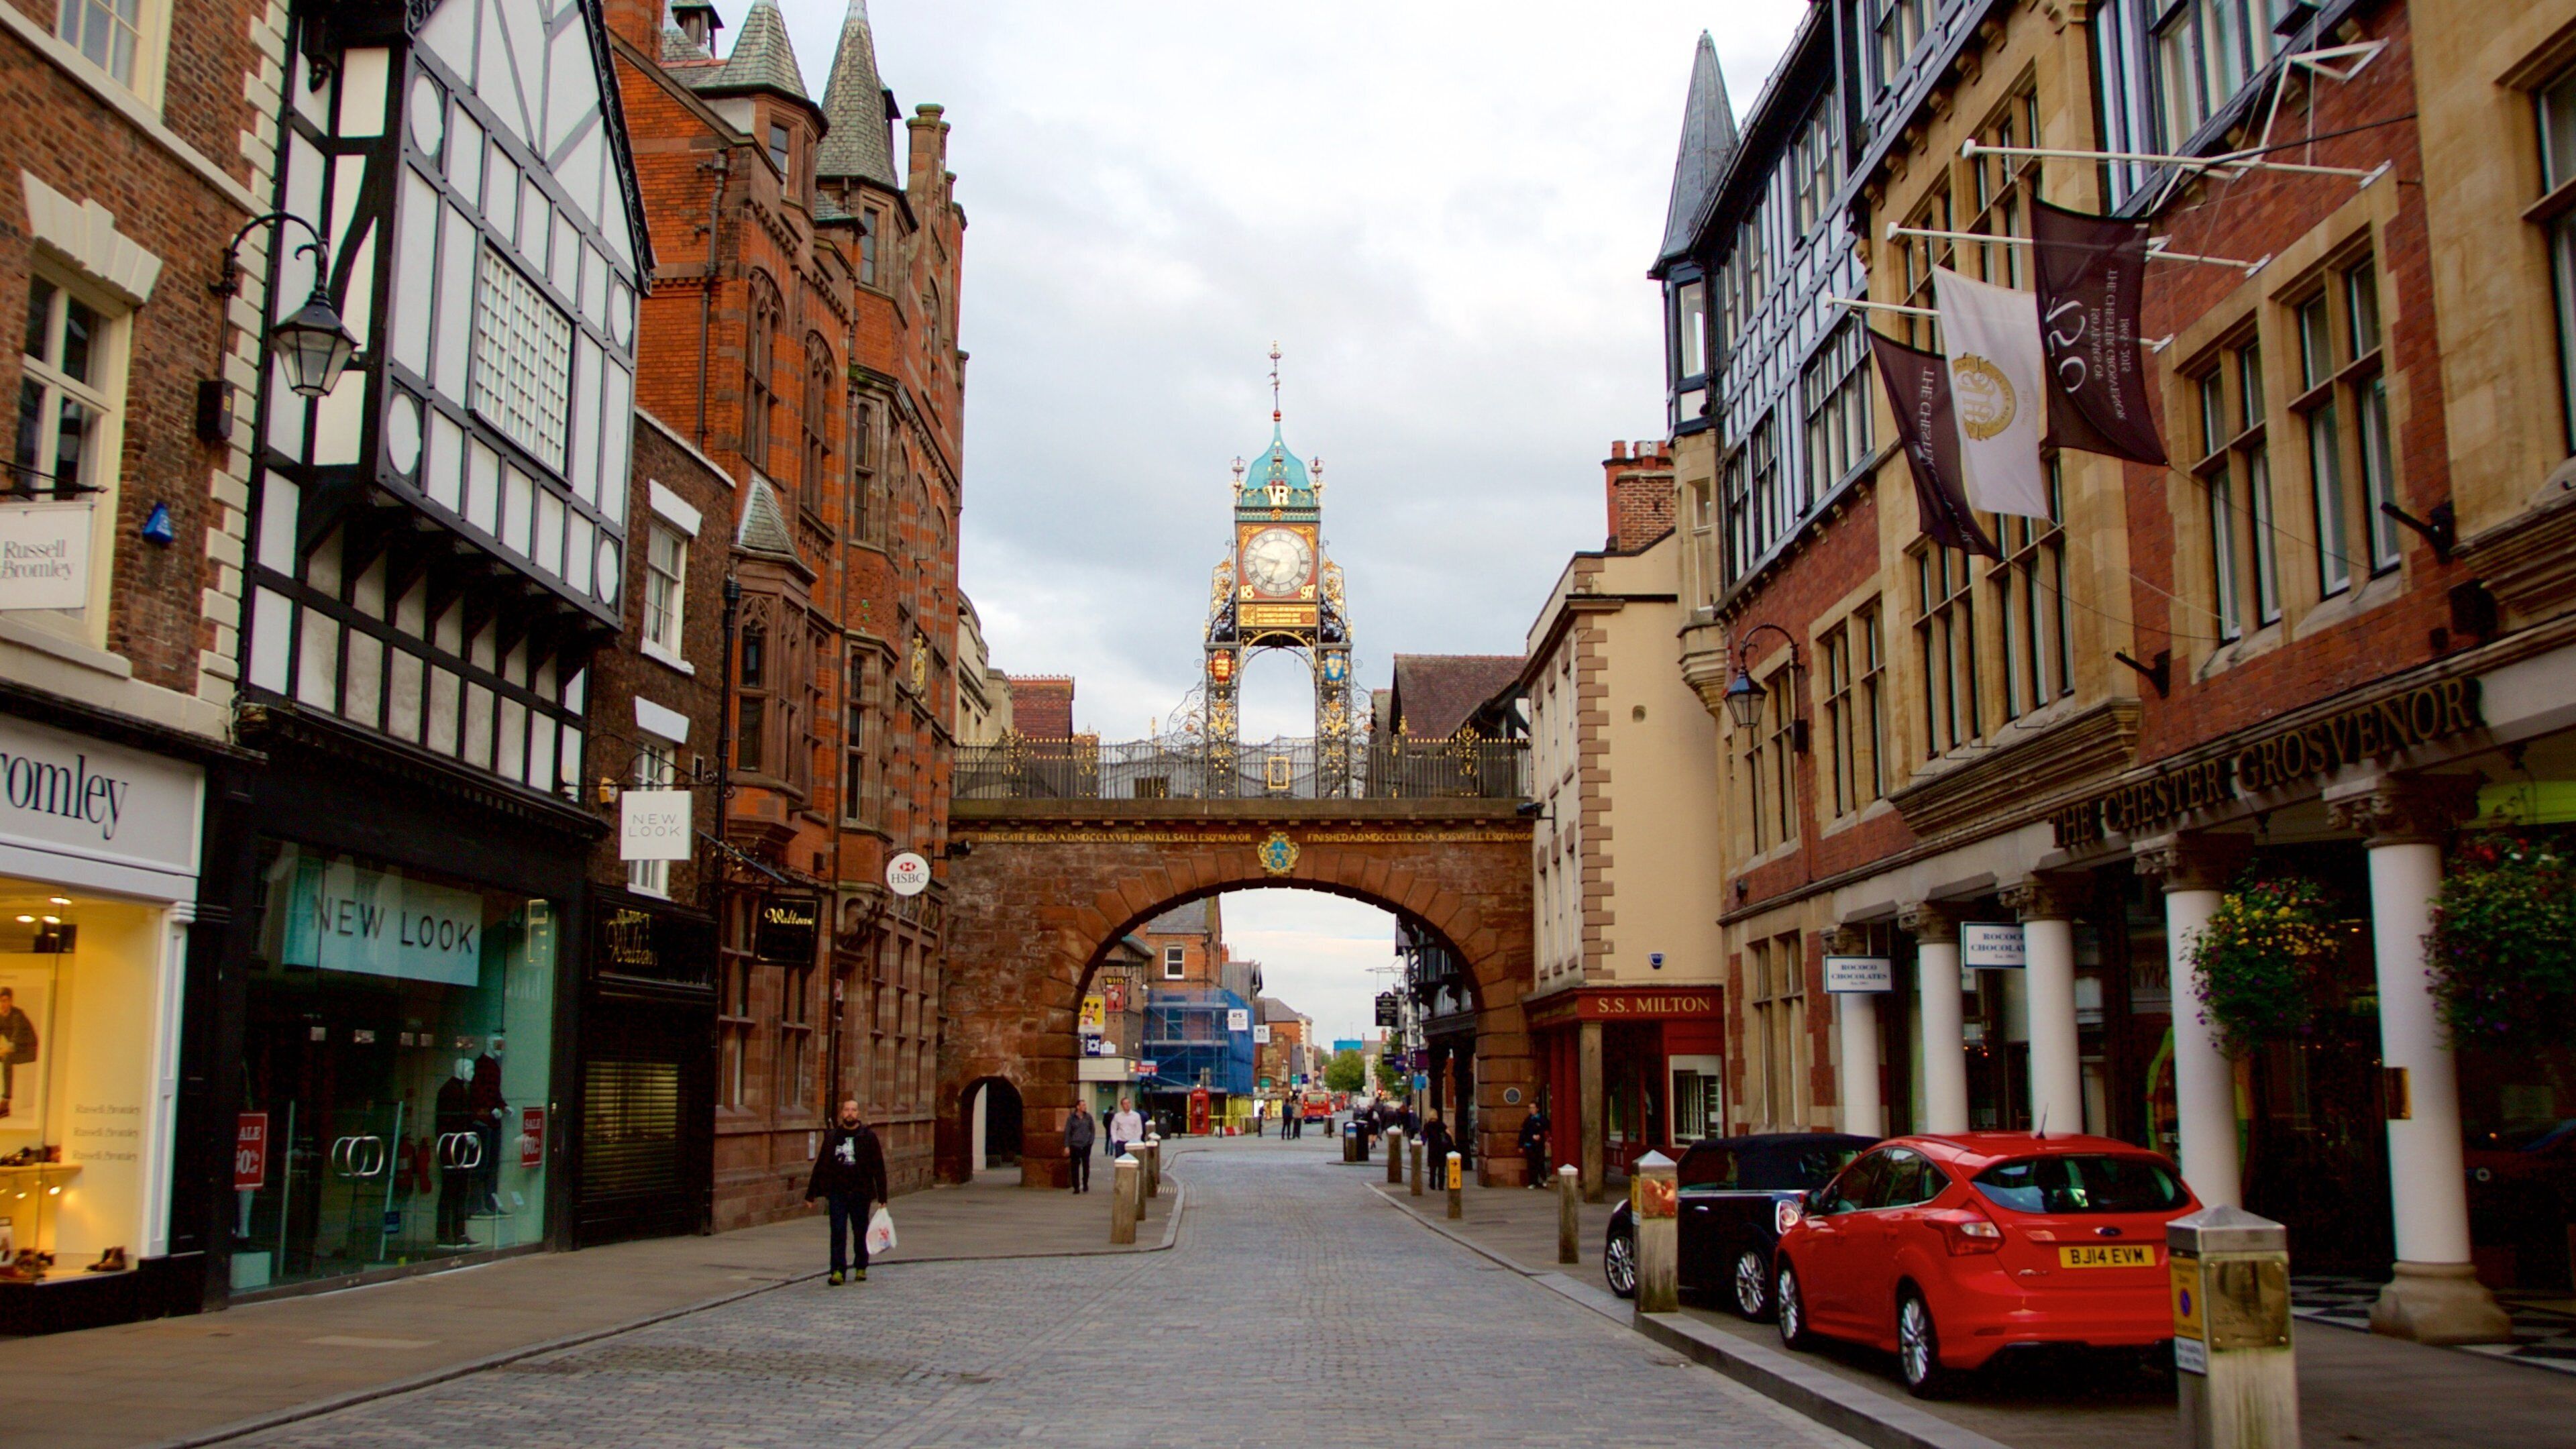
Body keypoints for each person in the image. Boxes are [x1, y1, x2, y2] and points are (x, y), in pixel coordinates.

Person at [804, 1099, 888, 1285]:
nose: (850, 1113)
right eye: (847, 1110)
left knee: (860, 1231)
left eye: (854, 1110)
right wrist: (811, 1193)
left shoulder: (868, 1137)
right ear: (842, 1113)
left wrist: (883, 1196)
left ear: (859, 1114)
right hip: (838, 1192)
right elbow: (821, 1166)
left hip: (860, 1192)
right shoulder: (833, 1137)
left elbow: (878, 1167)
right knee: (838, 1232)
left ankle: (860, 1266)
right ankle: (837, 1271)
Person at [0, 988, 36, 1120]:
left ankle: (5, 1104)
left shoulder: (17, 1015)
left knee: (7, 1058)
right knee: (6, 1056)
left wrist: (3, 1051)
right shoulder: (1, 1017)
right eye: (0, 1001)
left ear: (10, 1001)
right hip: (16, 1050)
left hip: (29, 1051)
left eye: (4, 1001)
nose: (2, 1005)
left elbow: (13, 1043)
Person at [1063, 1103, 1096, 1193]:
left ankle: (1085, 1183)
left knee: (1086, 1166)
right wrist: (1067, 1146)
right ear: (1078, 1107)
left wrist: (1091, 1141)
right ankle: (1076, 1186)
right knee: (1075, 1166)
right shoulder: (1071, 1118)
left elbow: (1092, 1130)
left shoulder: (1088, 1117)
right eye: (1083, 1105)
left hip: (1086, 1145)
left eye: (1085, 1105)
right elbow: (1067, 1132)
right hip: (1075, 1145)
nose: (1085, 1106)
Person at [1519, 1104, 1551, 1188]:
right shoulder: (1528, 1120)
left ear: (1537, 1109)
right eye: (1530, 1108)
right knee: (1531, 1164)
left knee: (1541, 1162)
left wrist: (1540, 1136)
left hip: (1540, 1145)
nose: (1531, 1110)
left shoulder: (1543, 1120)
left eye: (1533, 1108)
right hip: (1530, 1145)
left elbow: (1547, 1130)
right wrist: (1521, 1146)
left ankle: (1544, 1179)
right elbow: (1523, 1133)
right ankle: (1533, 1182)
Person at [1108, 1095, 1144, 1163]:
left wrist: (1136, 1141)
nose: (1127, 1105)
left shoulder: (1136, 1116)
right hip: (1120, 1142)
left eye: (1128, 1103)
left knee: (1132, 1163)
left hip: (1132, 1142)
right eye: (1125, 1104)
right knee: (1120, 1163)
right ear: (1122, 1105)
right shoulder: (1117, 1116)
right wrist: (1115, 1140)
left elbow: (1139, 1130)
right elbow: (1113, 1128)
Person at [1419, 1109, 1453, 1175]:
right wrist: (1452, 1143)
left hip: (1432, 1148)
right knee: (1442, 1168)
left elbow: (1424, 1136)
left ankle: (1432, 1184)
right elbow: (1449, 1133)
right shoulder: (1441, 1124)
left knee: (1433, 1168)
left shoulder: (1427, 1125)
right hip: (1441, 1148)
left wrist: (1422, 1142)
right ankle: (1441, 1184)